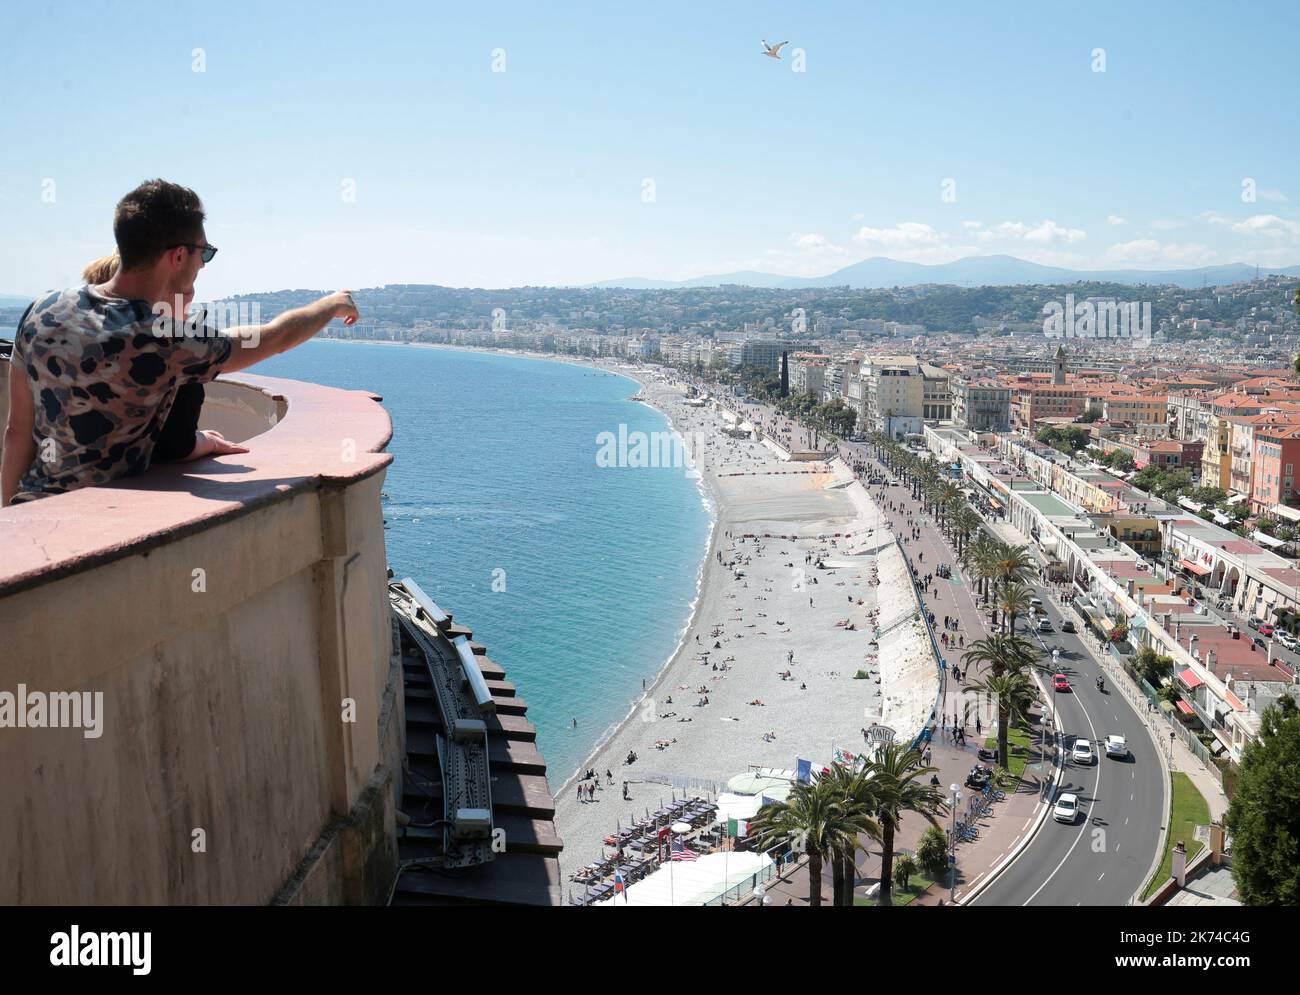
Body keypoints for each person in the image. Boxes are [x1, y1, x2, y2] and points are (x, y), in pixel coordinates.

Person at [3, 179, 359, 507]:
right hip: (98, 532)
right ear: (177, 257)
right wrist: (330, 305)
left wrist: (8, 522)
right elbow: (276, 337)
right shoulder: (165, 339)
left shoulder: (43, 308)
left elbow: (17, 431)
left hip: (31, 510)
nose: (203, 265)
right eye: (203, 254)